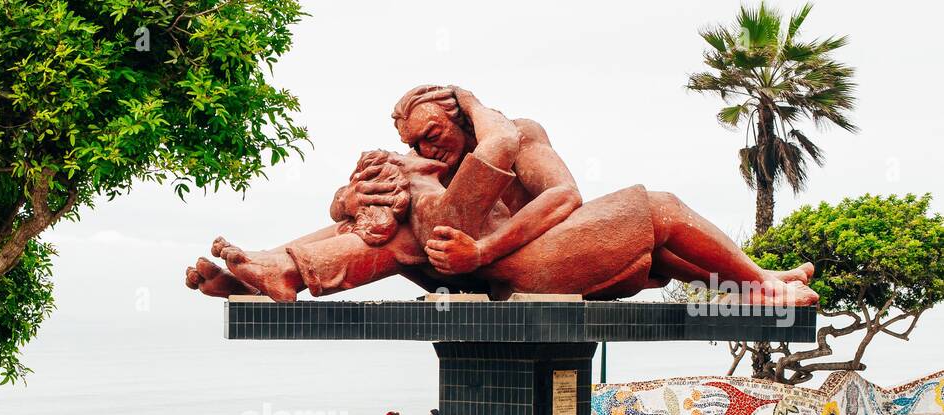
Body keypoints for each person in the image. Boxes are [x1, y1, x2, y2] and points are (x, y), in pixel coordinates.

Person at [187, 86, 817, 306]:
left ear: (465, 117)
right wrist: (356, 198)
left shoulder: (516, 140)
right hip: (490, 273)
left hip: (530, 257)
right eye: (416, 141)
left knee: (658, 209)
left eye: (435, 134)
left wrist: (484, 243)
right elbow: (342, 208)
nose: (428, 149)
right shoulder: (428, 174)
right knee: (403, 218)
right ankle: (272, 271)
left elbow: (565, 198)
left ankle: (755, 281)